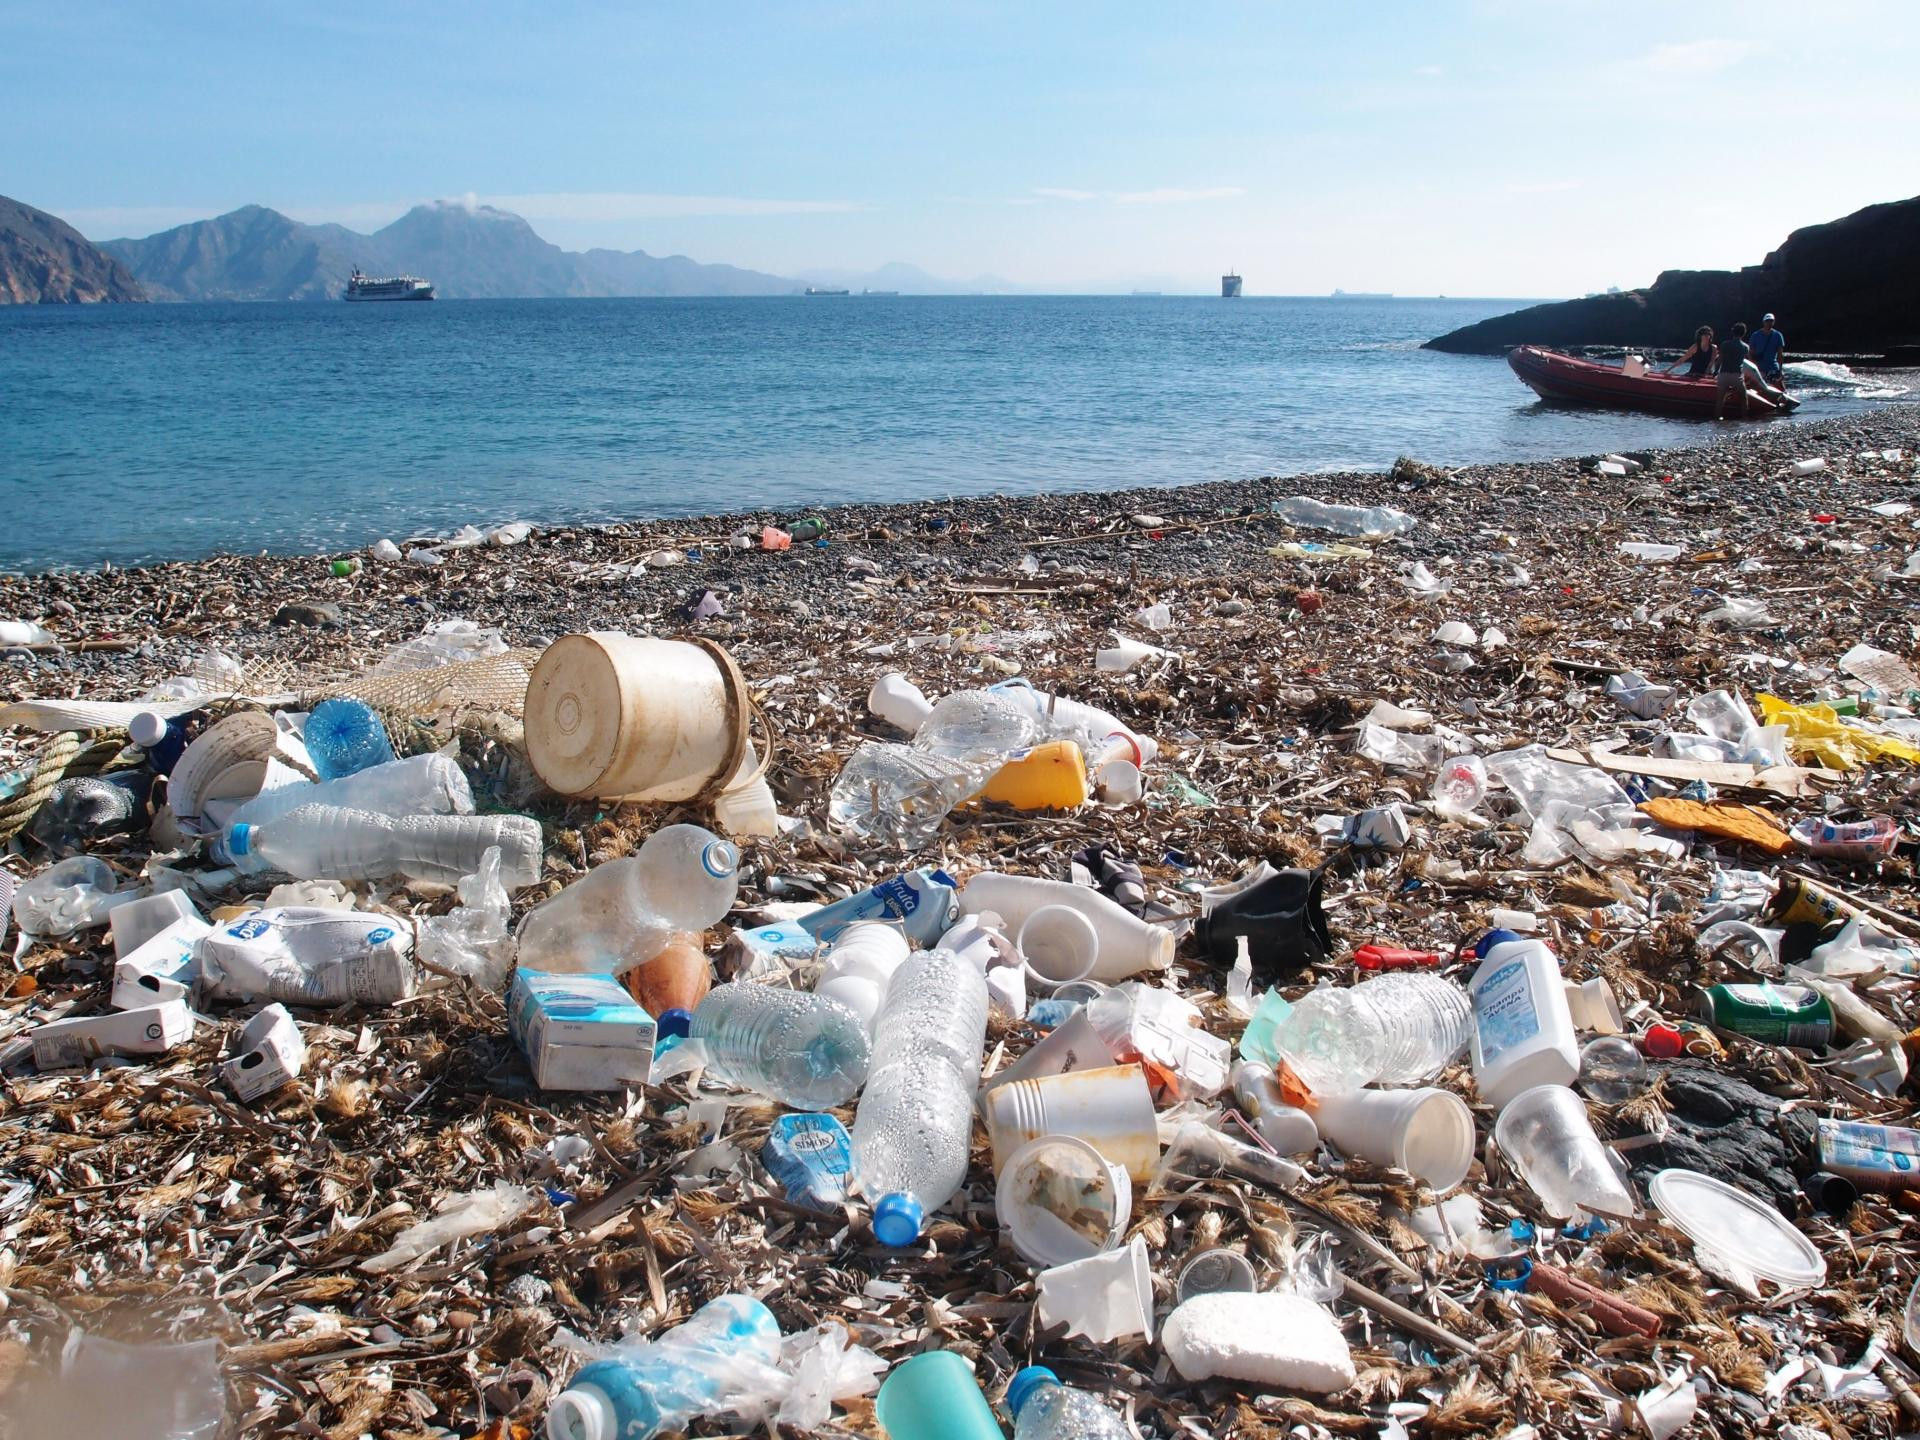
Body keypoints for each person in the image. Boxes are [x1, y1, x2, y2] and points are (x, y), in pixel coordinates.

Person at [1715, 321, 1752, 419]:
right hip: (1737, 376)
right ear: (1743, 333)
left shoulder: (1725, 344)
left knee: (1720, 399)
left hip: (1723, 374)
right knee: (1744, 398)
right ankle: (1744, 418)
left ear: (1733, 332)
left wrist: (1715, 372)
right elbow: (1750, 363)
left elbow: (1719, 360)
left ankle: (1717, 419)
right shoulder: (1745, 347)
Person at [1749, 312, 1787, 394]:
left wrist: (1780, 370)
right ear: (1764, 322)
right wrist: (1753, 367)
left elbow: (1780, 354)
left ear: (1773, 322)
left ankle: (1785, 398)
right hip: (1759, 367)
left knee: (1780, 385)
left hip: (1772, 366)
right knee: (1755, 386)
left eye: (1771, 321)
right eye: (1767, 321)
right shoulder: (1755, 335)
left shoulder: (1778, 335)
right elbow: (1751, 353)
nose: (1769, 323)